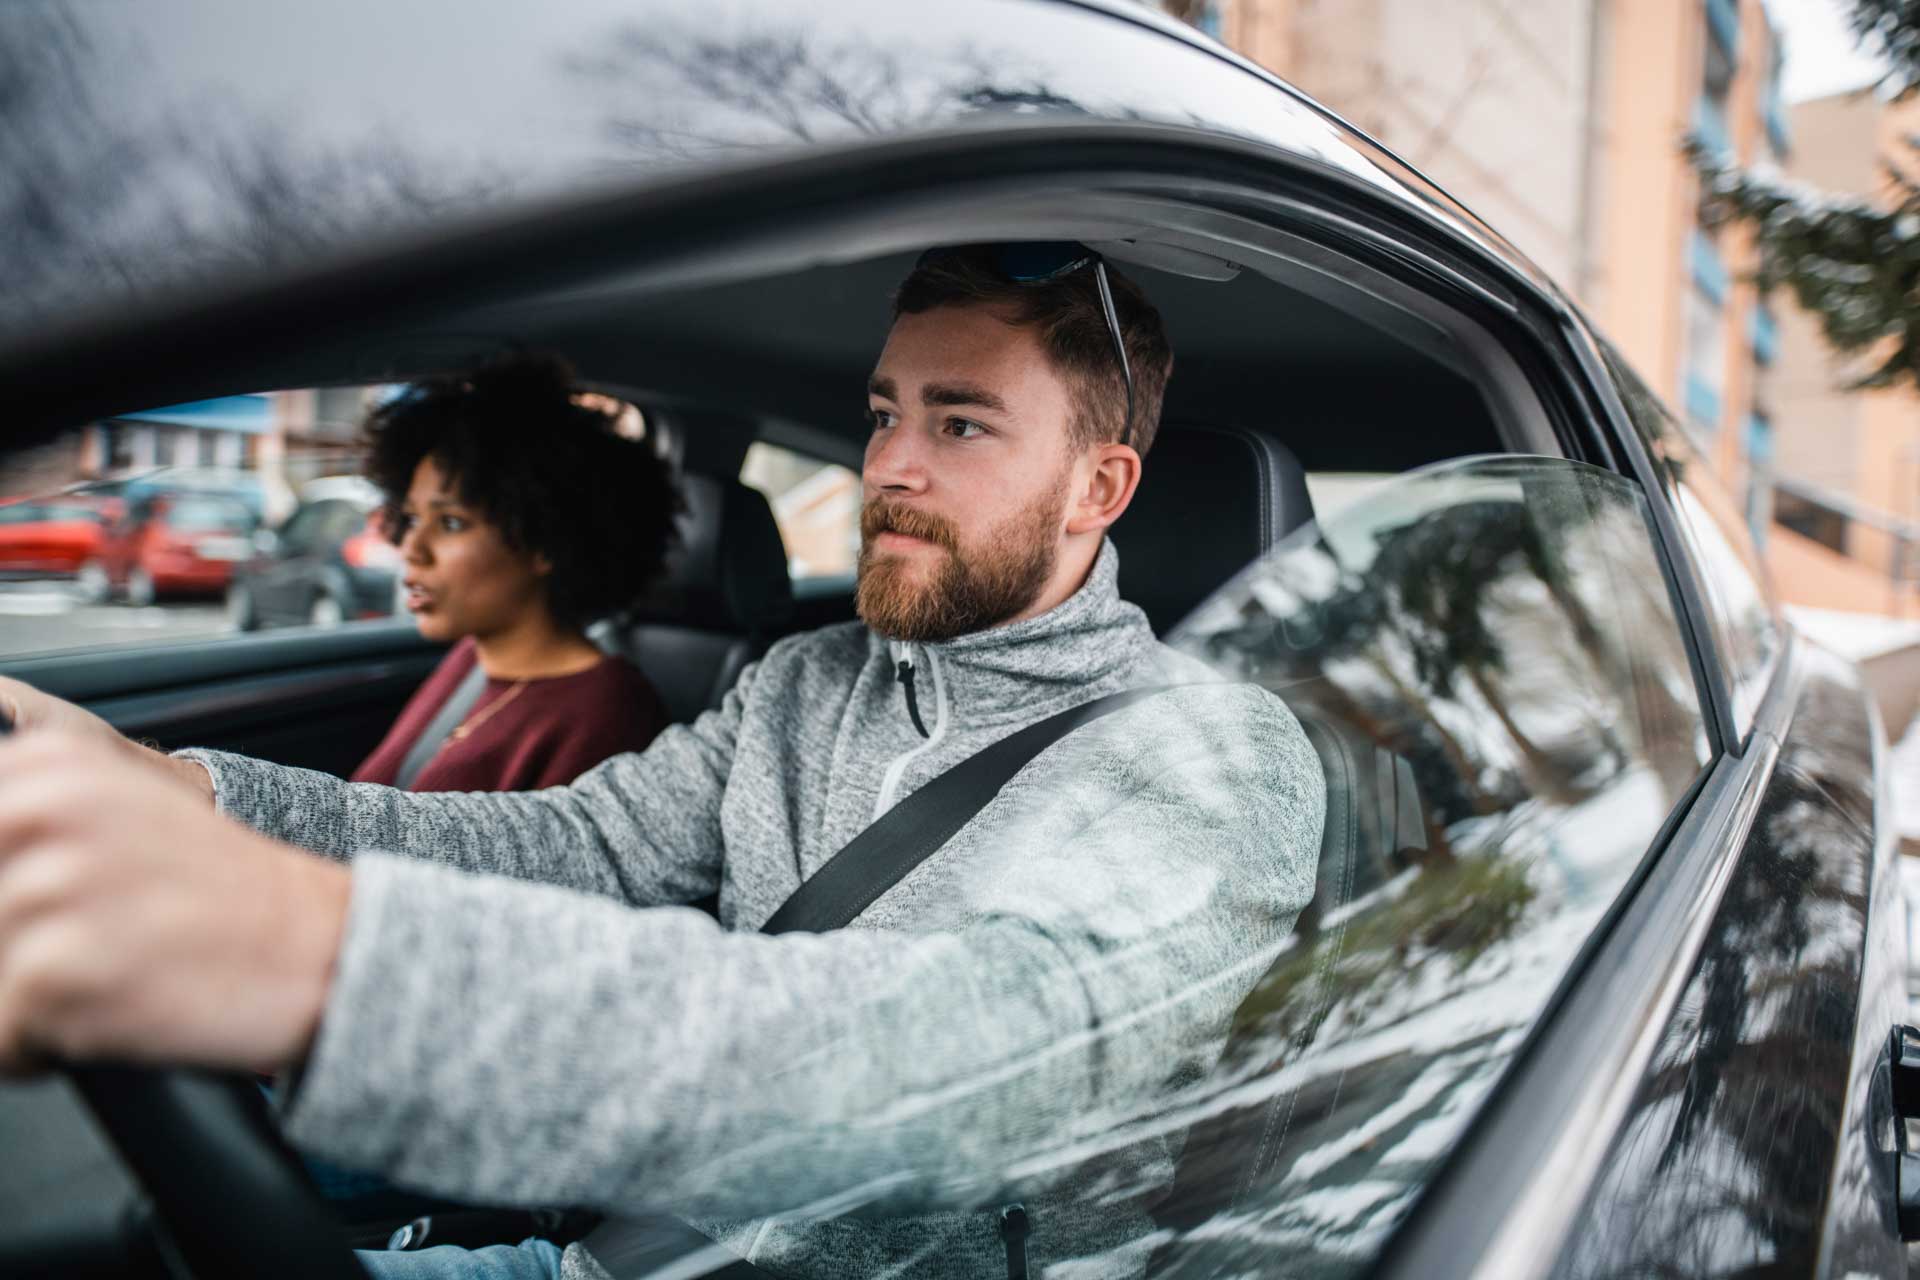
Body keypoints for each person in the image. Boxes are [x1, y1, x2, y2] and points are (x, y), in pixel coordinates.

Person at [0, 244, 1326, 1280]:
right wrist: (195, 796)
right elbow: (569, 847)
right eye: (883, 415)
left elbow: (959, 1060)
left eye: (962, 425)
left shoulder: (1212, 755)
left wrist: (314, 956)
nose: (890, 468)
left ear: (1101, 488)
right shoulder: (805, 682)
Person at [349, 353, 678, 793]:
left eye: (451, 523)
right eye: (410, 519)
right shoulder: (472, 658)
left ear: (543, 542)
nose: (411, 548)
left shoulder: (610, 711)